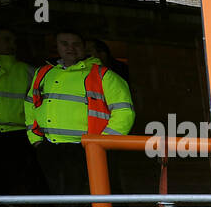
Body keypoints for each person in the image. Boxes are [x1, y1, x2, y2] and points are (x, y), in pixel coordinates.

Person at [25, 27, 134, 194]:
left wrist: (101, 144)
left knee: (98, 199)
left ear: (84, 47)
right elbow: (31, 103)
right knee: (56, 200)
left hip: (87, 149)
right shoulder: (43, 73)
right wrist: (36, 140)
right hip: (50, 147)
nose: (70, 48)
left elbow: (124, 112)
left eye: (76, 44)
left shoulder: (104, 75)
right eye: (64, 43)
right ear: (57, 46)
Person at [0, 24, 46, 194]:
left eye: (14, 41)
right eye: (6, 40)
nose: (12, 44)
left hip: (19, 135)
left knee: (19, 185)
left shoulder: (28, 71)